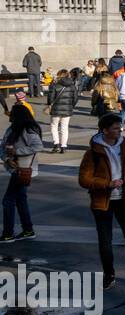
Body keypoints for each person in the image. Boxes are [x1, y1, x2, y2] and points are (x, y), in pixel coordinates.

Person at [78, 112, 125, 288]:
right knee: (105, 240)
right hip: (102, 201)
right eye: (115, 128)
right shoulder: (93, 152)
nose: (119, 130)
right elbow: (84, 179)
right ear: (105, 130)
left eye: (119, 127)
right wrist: (108, 183)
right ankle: (108, 275)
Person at [1, 106, 43, 242]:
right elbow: (2, 147)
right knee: (20, 200)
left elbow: (38, 146)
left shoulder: (28, 130)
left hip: (22, 169)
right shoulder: (12, 128)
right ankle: (28, 230)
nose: (9, 115)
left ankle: (8, 234)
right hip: (15, 168)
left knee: (8, 201)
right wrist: (7, 158)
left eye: (12, 114)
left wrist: (17, 152)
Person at [44, 68, 79, 154]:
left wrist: (49, 104)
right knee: (64, 128)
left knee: (54, 126)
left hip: (56, 108)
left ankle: (56, 144)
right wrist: (71, 106)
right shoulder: (72, 85)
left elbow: (50, 97)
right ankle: (64, 146)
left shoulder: (55, 85)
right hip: (68, 109)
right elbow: (75, 98)